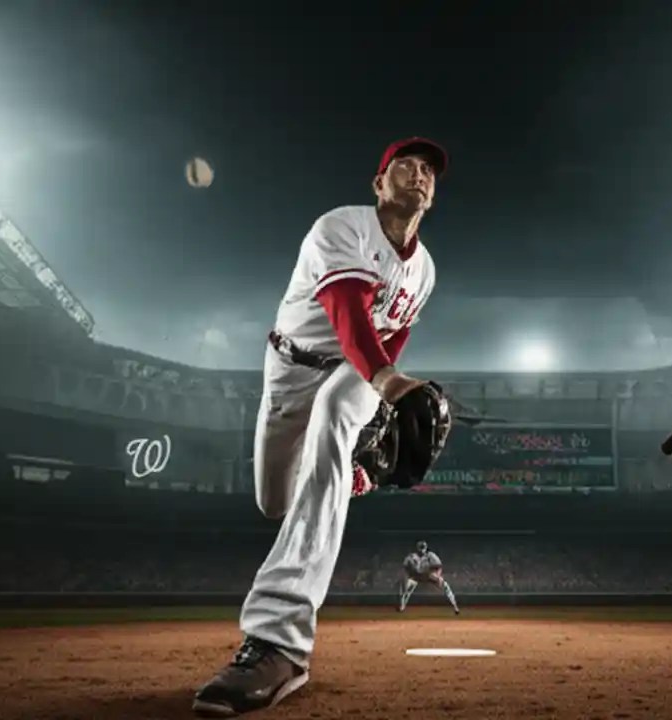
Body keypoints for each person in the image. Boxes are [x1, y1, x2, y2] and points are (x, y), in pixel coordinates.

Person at [193, 137, 446, 716]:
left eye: (429, 169)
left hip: (348, 375)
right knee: (273, 502)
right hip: (289, 370)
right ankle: (350, 468)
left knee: (336, 413)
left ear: (433, 194)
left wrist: (381, 396)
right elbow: (348, 313)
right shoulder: (341, 227)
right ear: (378, 184)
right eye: (404, 165)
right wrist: (387, 382)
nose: (420, 174)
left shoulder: (425, 271)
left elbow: (390, 336)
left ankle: (279, 642)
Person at [398, 540, 460, 614]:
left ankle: (455, 607)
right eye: (420, 548)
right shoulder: (411, 557)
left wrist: (438, 576)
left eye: (423, 547)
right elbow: (405, 568)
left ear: (426, 548)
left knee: (445, 585)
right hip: (416, 575)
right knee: (406, 589)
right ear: (417, 548)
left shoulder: (430, 555)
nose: (422, 550)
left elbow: (439, 566)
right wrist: (406, 578)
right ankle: (402, 606)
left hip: (428, 574)